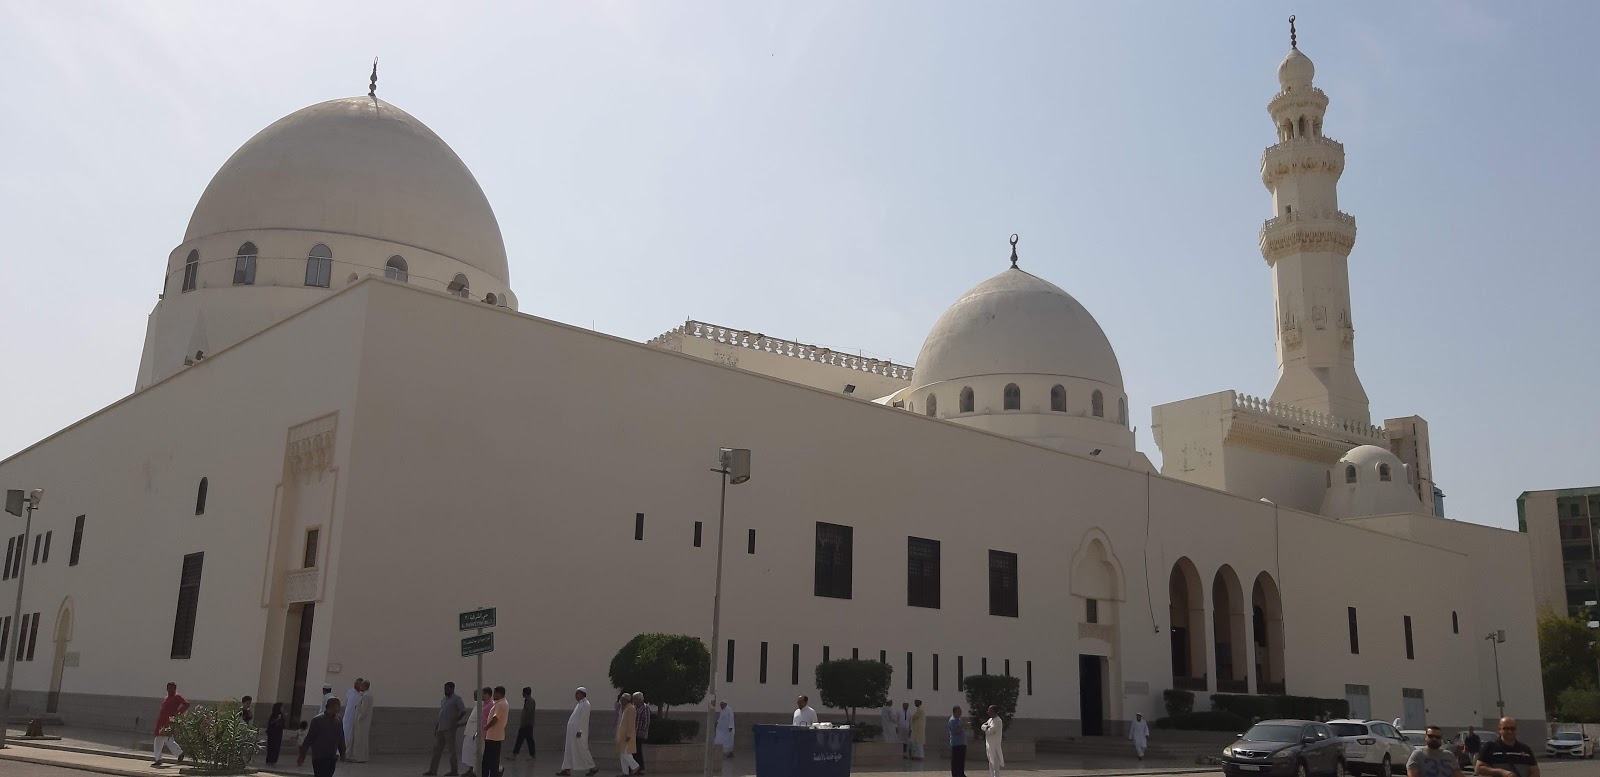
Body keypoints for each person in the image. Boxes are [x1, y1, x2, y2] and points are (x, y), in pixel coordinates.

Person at [426, 682, 469, 776]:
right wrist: (437, 726)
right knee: (436, 750)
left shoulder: (457, 699)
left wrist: (456, 720)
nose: (446, 691)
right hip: (441, 729)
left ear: (452, 689)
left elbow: (463, 711)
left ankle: (454, 771)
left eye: (448, 689)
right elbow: (442, 714)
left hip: (450, 729)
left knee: (451, 751)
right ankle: (433, 771)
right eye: (445, 689)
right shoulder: (444, 699)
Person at [298, 697, 347, 777]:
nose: (339, 707)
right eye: (338, 705)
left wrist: (343, 752)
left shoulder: (338, 720)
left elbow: (341, 737)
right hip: (319, 757)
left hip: (331, 757)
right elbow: (309, 739)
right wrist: (302, 755)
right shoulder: (317, 720)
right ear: (331, 706)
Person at [558, 686, 597, 777]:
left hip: (578, 732)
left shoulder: (586, 704)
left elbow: (584, 719)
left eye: (577, 693)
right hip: (572, 731)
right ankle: (567, 769)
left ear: (582, 694)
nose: (575, 695)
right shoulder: (579, 704)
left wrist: (580, 731)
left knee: (582, 750)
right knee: (568, 750)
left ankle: (592, 768)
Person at [152, 682, 190, 767]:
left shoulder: (177, 697)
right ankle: (158, 759)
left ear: (175, 689)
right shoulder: (166, 698)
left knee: (168, 739)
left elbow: (186, 704)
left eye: (172, 688)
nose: (170, 690)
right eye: (169, 688)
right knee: (158, 739)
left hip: (169, 721)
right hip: (161, 721)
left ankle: (179, 753)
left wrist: (177, 714)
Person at [484, 686, 510, 777]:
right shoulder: (503, 703)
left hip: (493, 736)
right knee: (493, 759)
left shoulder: (500, 704)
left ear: (499, 694)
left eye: (495, 693)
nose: (493, 695)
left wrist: (486, 727)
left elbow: (495, 718)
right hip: (496, 736)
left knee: (489, 760)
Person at [615, 692, 639, 775]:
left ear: (626, 700)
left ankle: (635, 766)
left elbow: (631, 723)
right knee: (622, 753)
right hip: (622, 735)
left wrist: (628, 735)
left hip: (627, 736)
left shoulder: (631, 708)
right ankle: (625, 772)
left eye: (622, 699)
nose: (621, 701)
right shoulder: (625, 708)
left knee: (626, 753)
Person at [350, 680, 374, 763]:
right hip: (365, 722)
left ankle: (359, 758)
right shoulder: (368, 694)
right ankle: (362, 757)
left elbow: (364, 710)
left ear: (364, 686)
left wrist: (359, 718)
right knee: (363, 739)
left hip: (361, 722)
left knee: (359, 740)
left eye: (361, 685)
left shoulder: (366, 696)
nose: (360, 687)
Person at [513, 687, 537, 760]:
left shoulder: (530, 701)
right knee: (528, 739)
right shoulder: (528, 701)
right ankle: (532, 755)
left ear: (525, 693)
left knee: (522, 739)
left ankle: (515, 755)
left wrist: (524, 723)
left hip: (527, 724)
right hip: (527, 724)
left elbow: (528, 713)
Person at [981, 705, 1004, 777]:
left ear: (994, 711)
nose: (988, 712)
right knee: (991, 764)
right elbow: (982, 726)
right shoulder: (990, 720)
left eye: (990, 710)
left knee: (995, 765)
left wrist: (986, 728)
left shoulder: (998, 721)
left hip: (995, 747)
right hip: (989, 745)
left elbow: (990, 731)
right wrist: (986, 727)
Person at [632, 691, 650, 772]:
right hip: (634, 732)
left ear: (639, 699)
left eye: (635, 699)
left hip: (639, 734)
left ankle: (641, 768)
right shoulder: (636, 707)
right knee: (634, 751)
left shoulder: (645, 707)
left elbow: (646, 721)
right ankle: (636, 767)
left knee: (638, 751)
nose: (634, 701)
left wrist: (642, 732)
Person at [948, 706, 968, 777]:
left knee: (961, 761)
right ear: (955, 712)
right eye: (959, 711)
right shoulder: (952, 720)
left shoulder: (959, 719)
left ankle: (961, 773)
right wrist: (964, 726)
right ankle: (956, 774)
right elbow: (956, 731)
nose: (960, 712)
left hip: (962, 743)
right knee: (956, 761)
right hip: (956, 744)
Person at [343, 679, 364, 744]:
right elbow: (346, 703)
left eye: (357, 684)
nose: (355, 685)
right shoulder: (350, 692)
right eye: (355, 683)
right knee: (345, 732)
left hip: (357, 717)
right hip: (348, 716)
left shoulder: (362, 695)